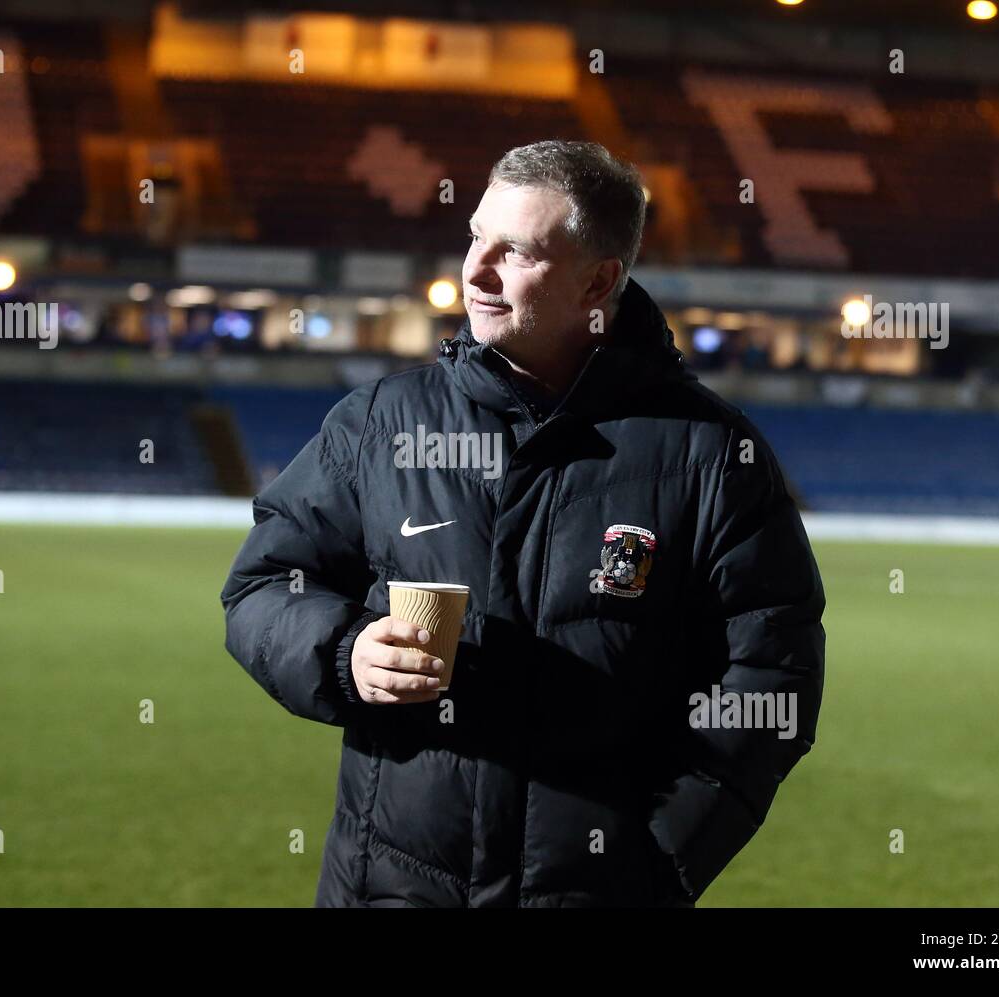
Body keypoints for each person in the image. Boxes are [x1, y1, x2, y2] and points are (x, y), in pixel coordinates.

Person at [220, 140, 826, 908]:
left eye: (517, 252)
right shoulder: (379, 423)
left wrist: (660, 859)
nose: (475, 270)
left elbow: (773, 678)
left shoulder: (710, 455)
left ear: (598, 281)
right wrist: (343, 652)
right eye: (476, 235)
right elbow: (264, 585)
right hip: (389, 891)